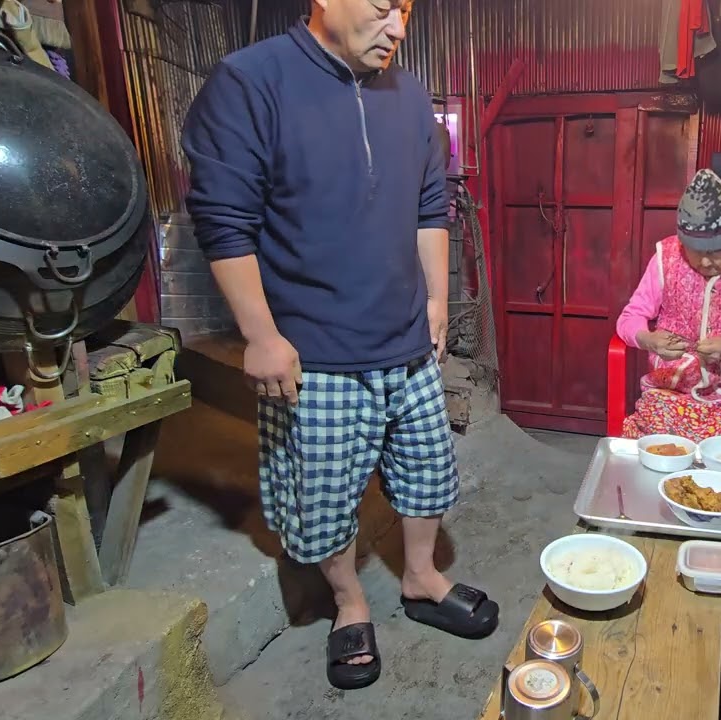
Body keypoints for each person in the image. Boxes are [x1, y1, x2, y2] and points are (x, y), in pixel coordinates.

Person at [181, 0, 497, 692]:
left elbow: (428, 205)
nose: (399, 27)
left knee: (427, 472)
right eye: (385, 8)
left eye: (407, 10)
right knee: (322, 498)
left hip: (407, 342)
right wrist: (261, 337)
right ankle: (349, 602)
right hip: (313, 354)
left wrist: (438, 300)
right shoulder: (250, 81)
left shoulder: (410, 97)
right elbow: (224, 220)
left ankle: (420, 577)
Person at [616, 169, 721, 442]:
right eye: (696, 252)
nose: (705, 263)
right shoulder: (667, 258)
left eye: (716, 254)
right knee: (652, 440)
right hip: (670, 389)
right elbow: (630, 317)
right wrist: (649, 340)